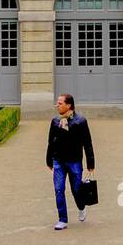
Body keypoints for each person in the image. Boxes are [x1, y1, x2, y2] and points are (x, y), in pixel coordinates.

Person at [46, 93, 95, 230]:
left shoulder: (81, 121)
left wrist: (90, 163)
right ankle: (62, 219)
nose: (57, 105)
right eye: (58, 103)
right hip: (58, 161)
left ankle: (81, 206)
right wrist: (49, 159)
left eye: (60, 103)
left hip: (74, 161)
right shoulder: (55, 121)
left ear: (69, 105)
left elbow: (87, 143)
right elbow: (51, 141)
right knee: (58, 189)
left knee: (76, 189)